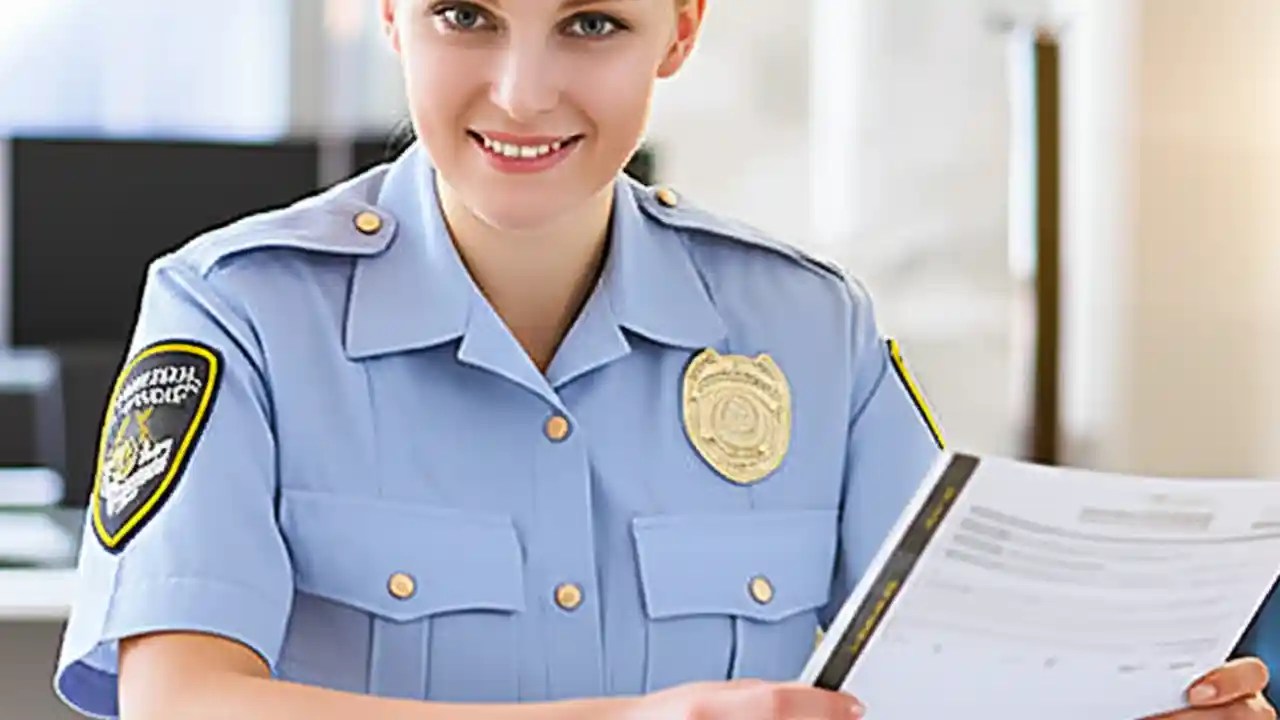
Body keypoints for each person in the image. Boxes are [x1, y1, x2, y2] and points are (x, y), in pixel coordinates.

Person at [51, 1, 1275, 718]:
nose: (520, 94)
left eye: (591, 22)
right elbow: (186, 703)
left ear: (680, 29)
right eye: (464, 16)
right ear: (389, 15)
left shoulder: (809, 325)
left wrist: (1130, 704)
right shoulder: (237, 310)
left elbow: (939, 681)